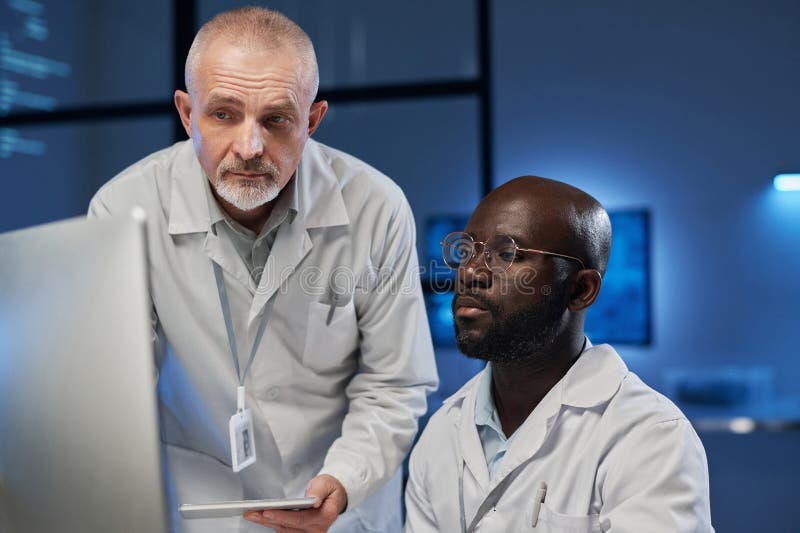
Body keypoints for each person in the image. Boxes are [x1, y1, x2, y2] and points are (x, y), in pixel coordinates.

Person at [88, 7, 437, 533]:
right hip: (205, 503)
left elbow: (396, 382)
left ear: (313, 120)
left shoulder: (377, 207)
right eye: (223, 114)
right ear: (187, 114)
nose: (250, 148)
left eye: (276, 119)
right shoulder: (123, 209)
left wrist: (343, 481)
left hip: (344, 501)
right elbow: (113, 390)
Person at [404, 176, 714, 532]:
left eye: (507, 255)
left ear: (581, 289)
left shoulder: (649, 437)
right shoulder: (441, 433)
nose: (470, 272)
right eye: (467, 251)